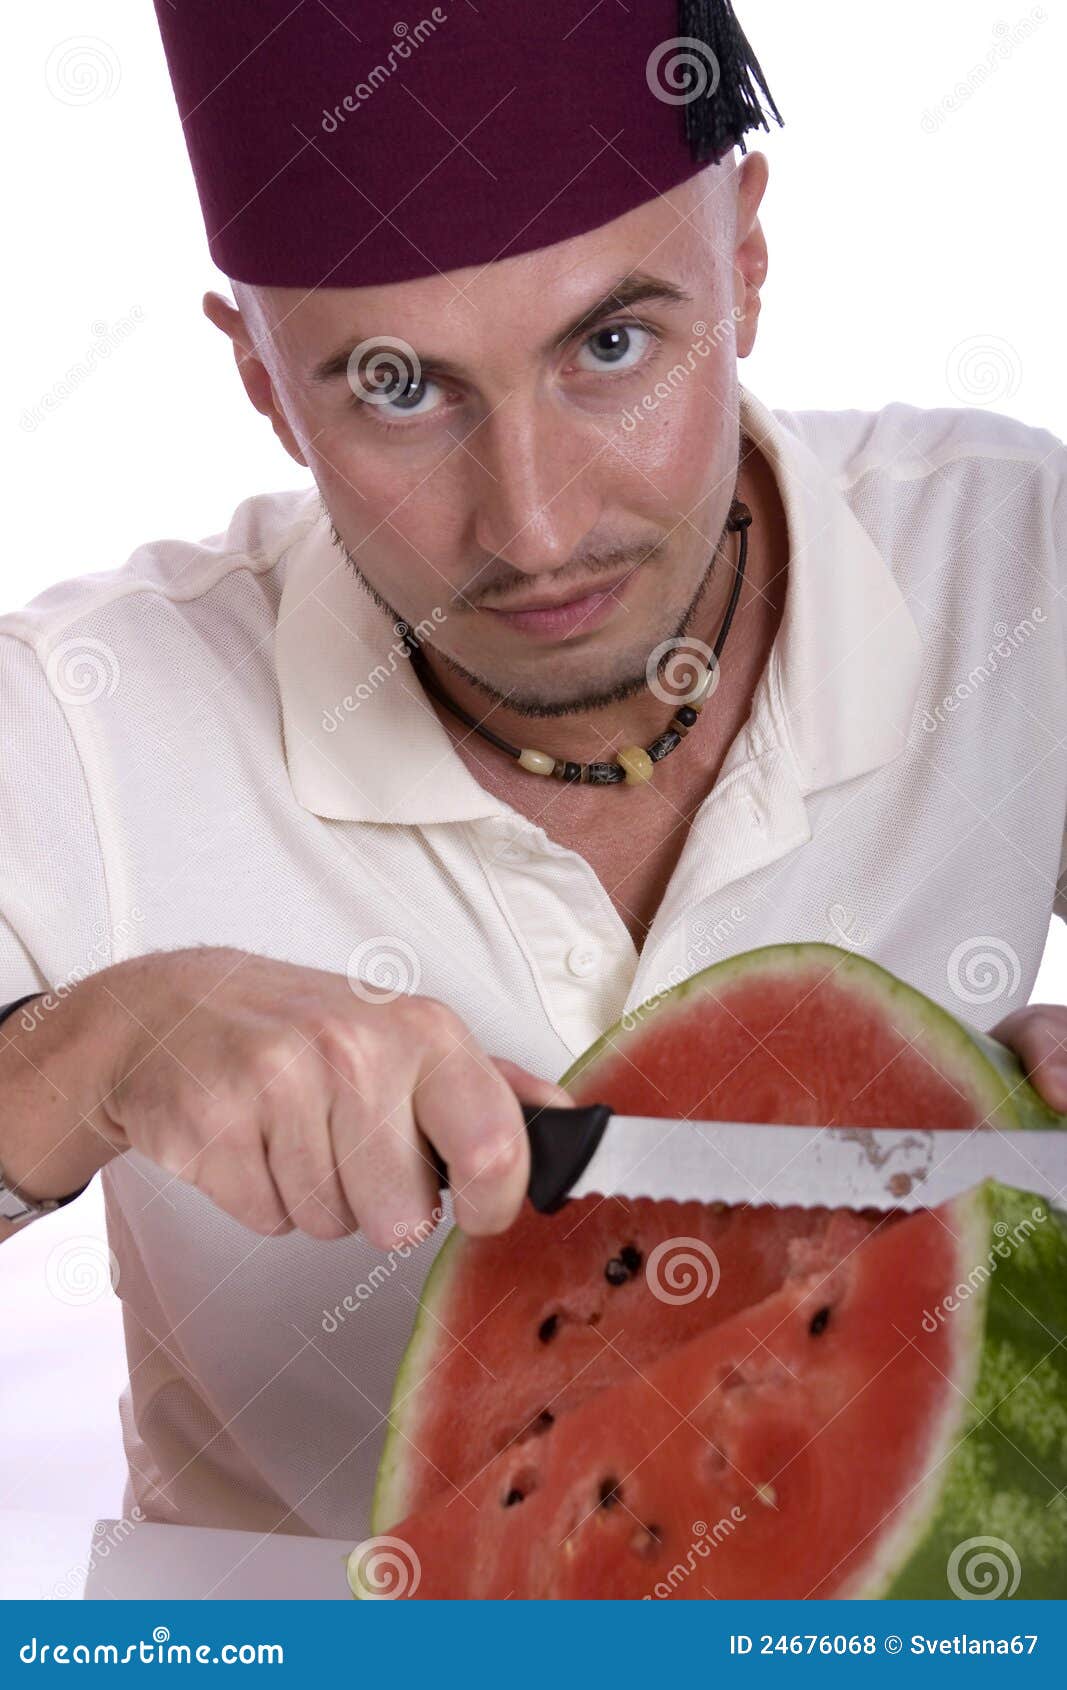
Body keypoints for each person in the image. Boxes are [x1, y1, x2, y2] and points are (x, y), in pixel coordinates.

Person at [1, 0, 1064, 1542]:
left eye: (613, 345)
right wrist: (90, 1057)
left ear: (747, 256)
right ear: (256, 377)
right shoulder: (81, 715)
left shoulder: (1013, 560)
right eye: (396, 387)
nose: (537, 526)